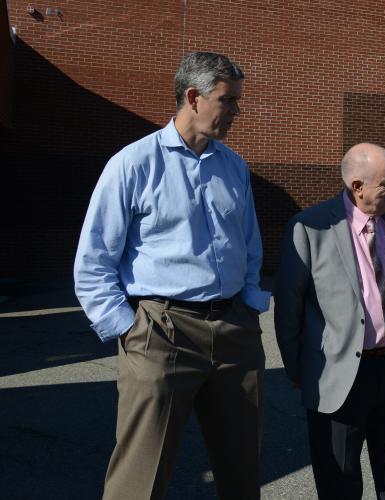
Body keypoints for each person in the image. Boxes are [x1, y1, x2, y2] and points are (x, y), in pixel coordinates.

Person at [73, 52, 269, 500]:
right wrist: (127, 328)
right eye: (229, 100)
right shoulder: (134, 163)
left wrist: (251, 300)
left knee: (242, 470)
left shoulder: (233, 166)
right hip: (161, 331)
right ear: (194, 97)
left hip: (234, 328)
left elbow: (249, 244)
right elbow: (94, 259)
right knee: (139, 476)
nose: (237, 111)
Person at [274, 143, 385, 500]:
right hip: (338, 374)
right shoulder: (309, 227)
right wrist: (299, 370)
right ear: (357, 187)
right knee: (339, 477)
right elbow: (288, 309)